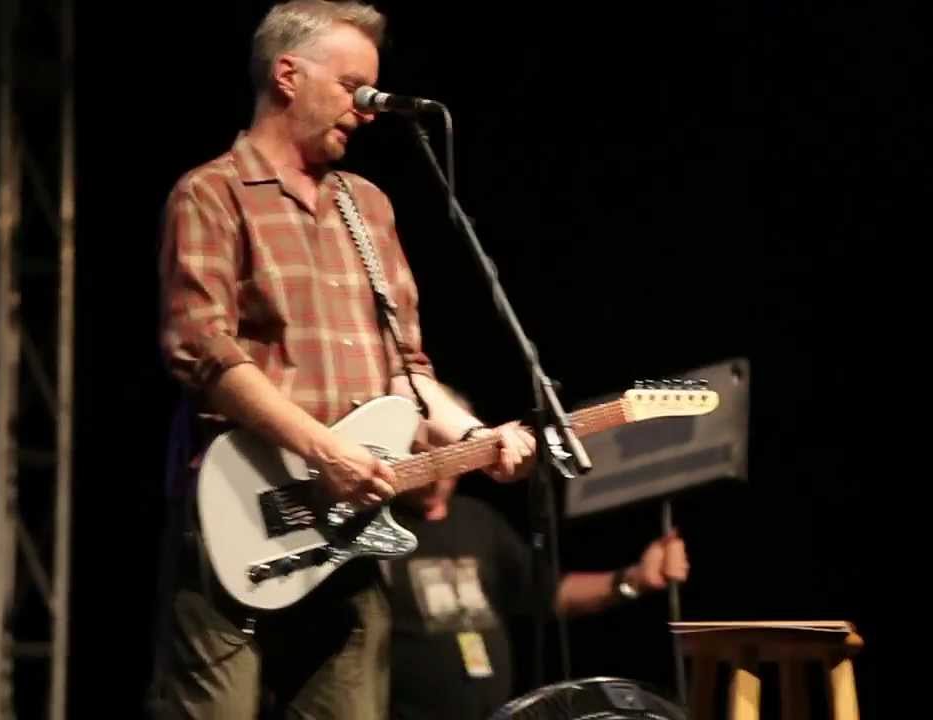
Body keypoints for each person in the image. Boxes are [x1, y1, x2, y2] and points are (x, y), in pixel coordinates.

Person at [150, 2, 536, 718]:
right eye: (353, 87)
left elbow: (408, 370)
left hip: (352, 535)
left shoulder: (369, 207)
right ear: (288, 75)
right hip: (243, 511)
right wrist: (323, 449)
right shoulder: (211, 192)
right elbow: (201, 346)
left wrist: (476, 437)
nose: (367, 109)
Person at [384, 387, 691, 720]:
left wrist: (633, 579)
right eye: (422, 453)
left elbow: (548, 592)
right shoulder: (374, 531)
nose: (436, 473)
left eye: (444, 453)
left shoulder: (480, 521)